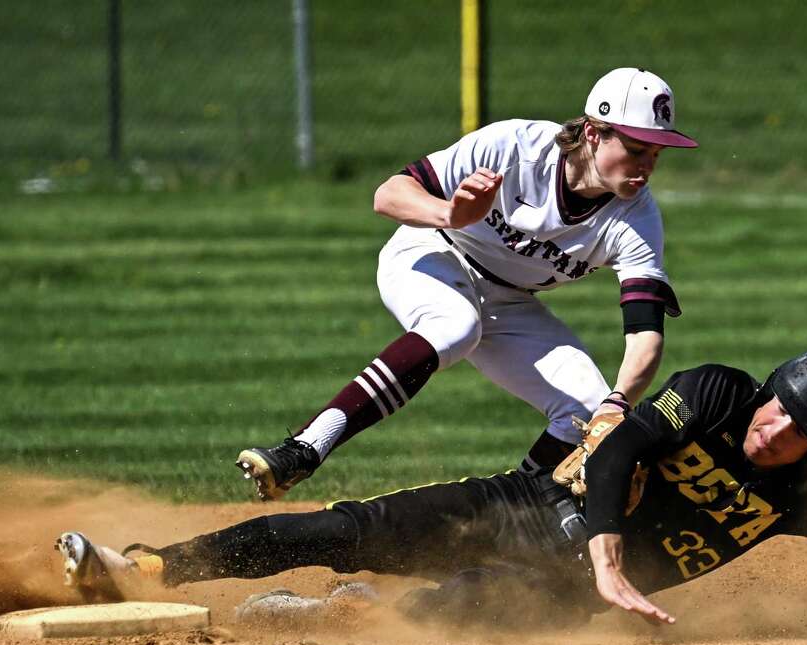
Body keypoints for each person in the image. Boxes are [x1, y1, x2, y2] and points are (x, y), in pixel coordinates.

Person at [58, 345, 807, 638]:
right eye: (776, 404)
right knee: (347, 525)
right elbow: (617, 453)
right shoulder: (716, 392)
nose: (769, 421)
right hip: (529, 510)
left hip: (566, 592)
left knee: (430, 621)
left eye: (793, 424)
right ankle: (144, 563)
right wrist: (609, 554)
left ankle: (318, 616)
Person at [235, 67, 698, 501]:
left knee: (586, 410)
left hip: (510, 300)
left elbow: (645, 334)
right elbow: (388, 194)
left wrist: (616, 404)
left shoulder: (636, 219)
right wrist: (450, 215)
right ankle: (303, 449)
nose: (648, 165)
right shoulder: (516, 148)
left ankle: (514, 516)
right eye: (636, 148)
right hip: (430, 250)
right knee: (455, 324)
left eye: (656, 152)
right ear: (594, 134)